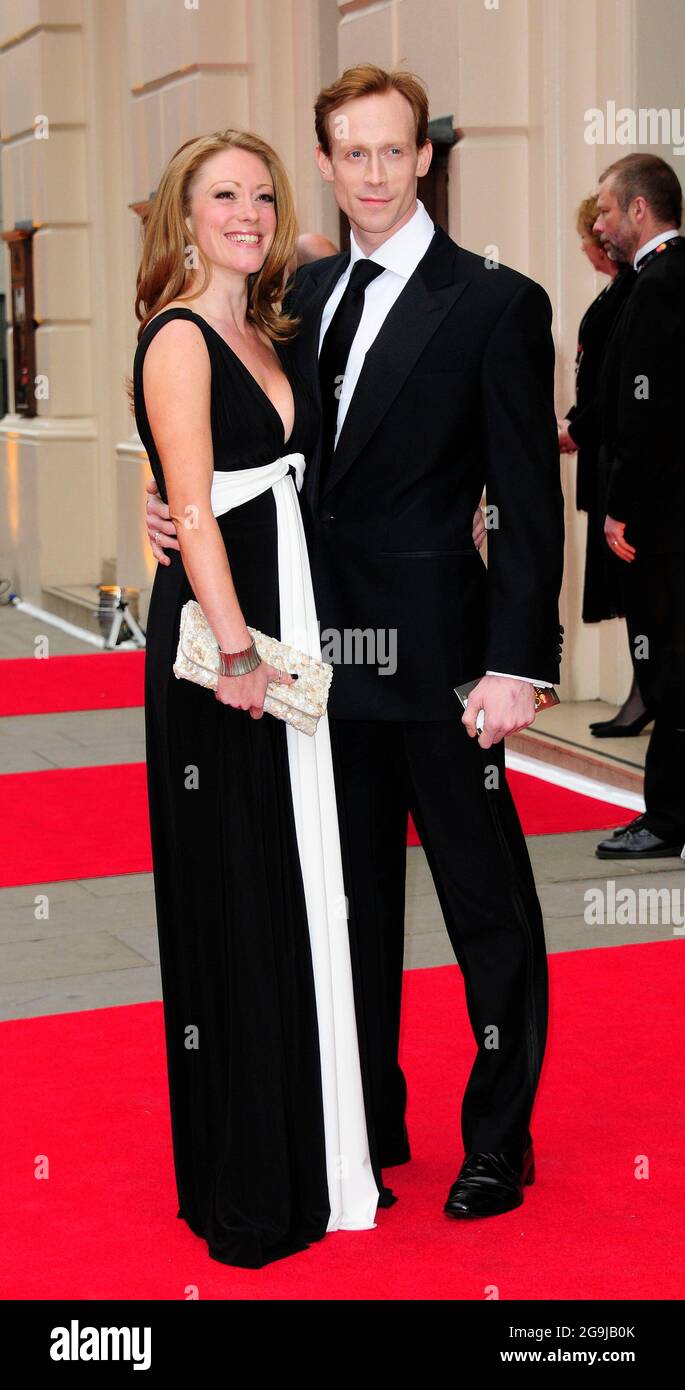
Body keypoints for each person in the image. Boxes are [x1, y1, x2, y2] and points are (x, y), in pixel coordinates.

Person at [147, 65, 565, 1220]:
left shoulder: (495, 301)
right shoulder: (298, 291)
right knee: (350, 905)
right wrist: (176, 504)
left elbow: (528, 503)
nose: (374, 175)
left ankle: (497, 1136)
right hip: (318, 666)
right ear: (322, 163)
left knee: (486, 904)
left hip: (443, 665)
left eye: (394, 152)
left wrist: (516, 665)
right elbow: (252, 451)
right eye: (351, 155)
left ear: (422, 156)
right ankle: (368, 1117)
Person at [132, 127, 384, 1268]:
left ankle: (307, 1145)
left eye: (261, 194)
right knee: (242, 888)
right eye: (221, 194)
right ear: (183, 215)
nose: (246, 211)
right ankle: (252, 1180)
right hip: (227, 649)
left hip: (286, 624)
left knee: (295, 885)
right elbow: (191, 508)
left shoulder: (264, 323)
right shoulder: (179, 334)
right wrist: (238, 654)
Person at [593, 153, 685, 861]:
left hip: (660, 521)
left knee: (666, 675)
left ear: (637, 210)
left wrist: (619, 507)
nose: (601, 225)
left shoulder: (655, 287)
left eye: (605, 210)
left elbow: (643, 410)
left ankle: (665, 819)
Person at [558, 197, 645, 737]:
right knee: (636, 600)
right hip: (604, 455)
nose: (589, 243)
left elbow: (619, 390)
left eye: (594, 229)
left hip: (621, 462)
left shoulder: (638, 291)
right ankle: (645, 690)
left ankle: (647, 692)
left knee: (645, 598)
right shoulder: (621, 292)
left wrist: (576, 429)